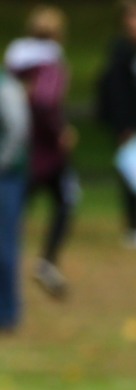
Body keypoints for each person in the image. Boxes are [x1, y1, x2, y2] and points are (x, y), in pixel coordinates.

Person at [6, 7, 73, 300]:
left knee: (15, 209)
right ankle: (46, 261)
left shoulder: (14, 61)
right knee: (65, 200)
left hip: (16, 148)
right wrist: (59, 131)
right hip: (44, 149)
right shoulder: (51, 63)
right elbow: (46, 102)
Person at [97, 1, 136, 249]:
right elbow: (116, 91)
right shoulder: (120, 51)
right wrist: (124, 125)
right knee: (134, 176)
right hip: (132, 125)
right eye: (131, 18)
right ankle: (135, 226)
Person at [0, 60, 24, 332]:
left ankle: (7, 312)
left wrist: (2, 163)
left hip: (6, 178)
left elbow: (17, 130)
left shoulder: (6, 88)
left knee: (4, 246)